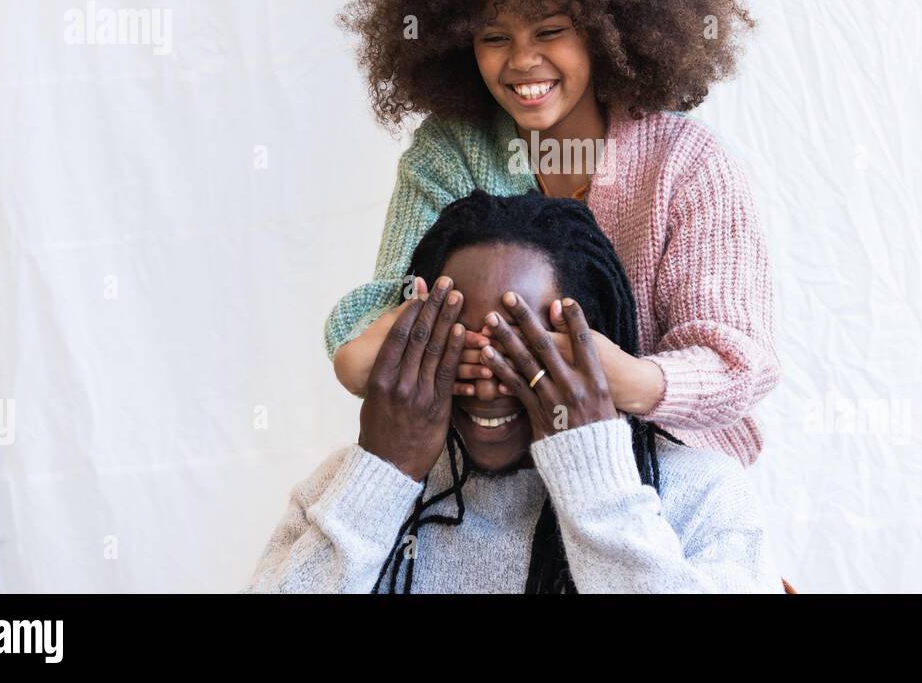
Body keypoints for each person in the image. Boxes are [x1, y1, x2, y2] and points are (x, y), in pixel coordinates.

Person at [327, 0, 780, 467]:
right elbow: (375, 333)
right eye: (493, 37)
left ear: (608, 27)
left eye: (550, 31)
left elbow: (737, 362)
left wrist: (617, 377)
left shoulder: (685, 165)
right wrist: (404, 347)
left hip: (661, 466)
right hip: (495, 468)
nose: (521, 61)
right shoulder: (450, 155)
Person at [247, 192, 781, 593]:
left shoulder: (699, 494)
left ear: (593, 350)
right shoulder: (342, 488)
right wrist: (383, 472)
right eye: (459, 345)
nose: (486, 383)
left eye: (524, 350)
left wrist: (593, 476)